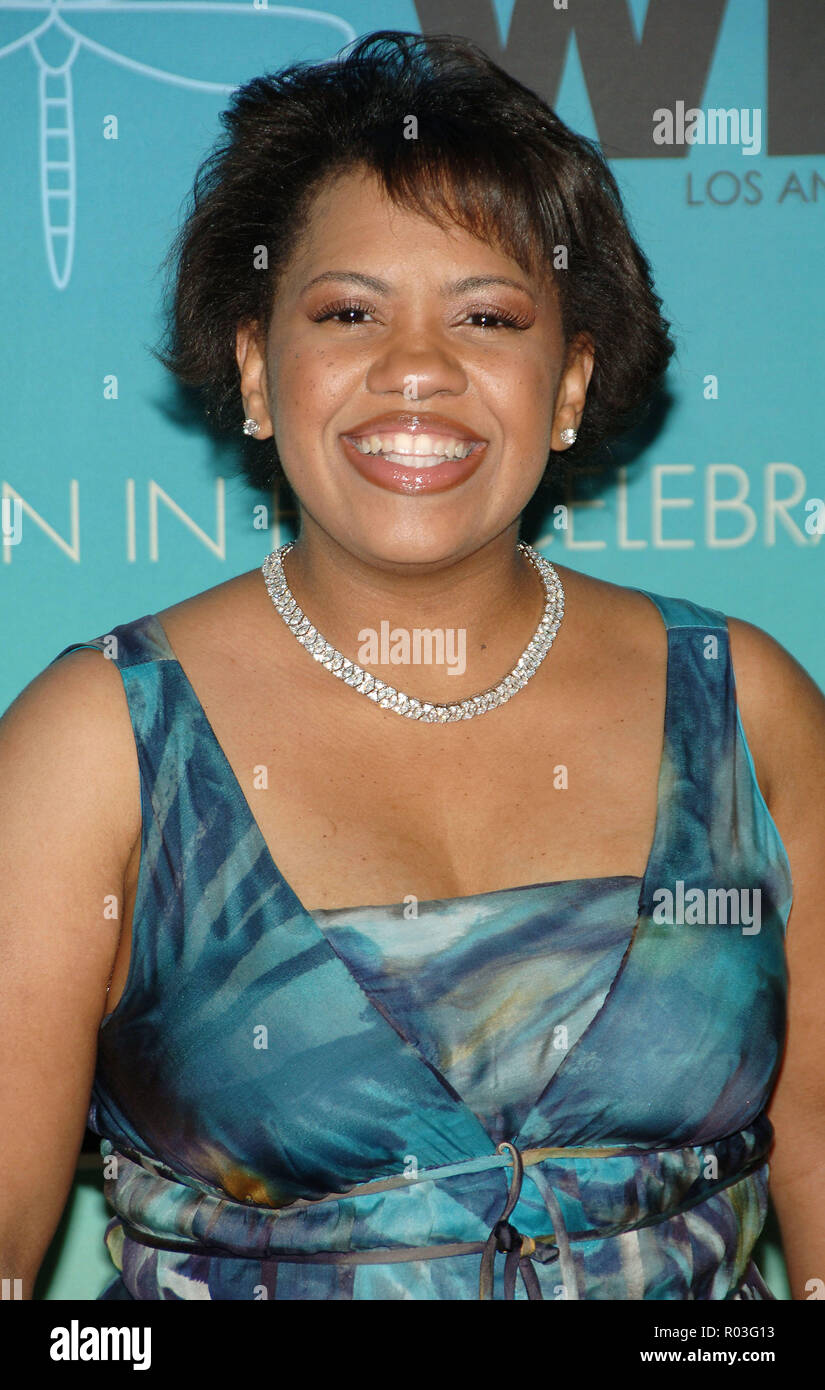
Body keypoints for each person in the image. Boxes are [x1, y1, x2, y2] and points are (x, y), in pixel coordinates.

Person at [2, 29, 823, 1302]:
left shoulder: (744, 701)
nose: (417, 371)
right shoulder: (97, 739)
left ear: (570, 384)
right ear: (257, 370)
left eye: (488, 316)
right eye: (348, 312)